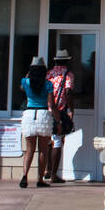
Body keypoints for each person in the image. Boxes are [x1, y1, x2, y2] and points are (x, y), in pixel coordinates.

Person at [19, 56, 57, 188]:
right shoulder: (48, 84)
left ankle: (24, 175)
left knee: (29, 150)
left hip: (29, 114)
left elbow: (22, 86)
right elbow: (51, 103)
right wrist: (58, 120)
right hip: (43, 114)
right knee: (43, 150)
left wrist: (30, 72)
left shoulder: (25, 82)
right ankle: (40, 179)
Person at [47, 49, 75, 183]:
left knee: (48, 141)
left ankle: (47, 170)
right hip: (59, 111)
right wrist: (71, 109)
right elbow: (68, 92)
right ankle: (53, 175)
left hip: (45, 110)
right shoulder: (68, 75)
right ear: (67, 61)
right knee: (58, 141)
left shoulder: (49, 73)